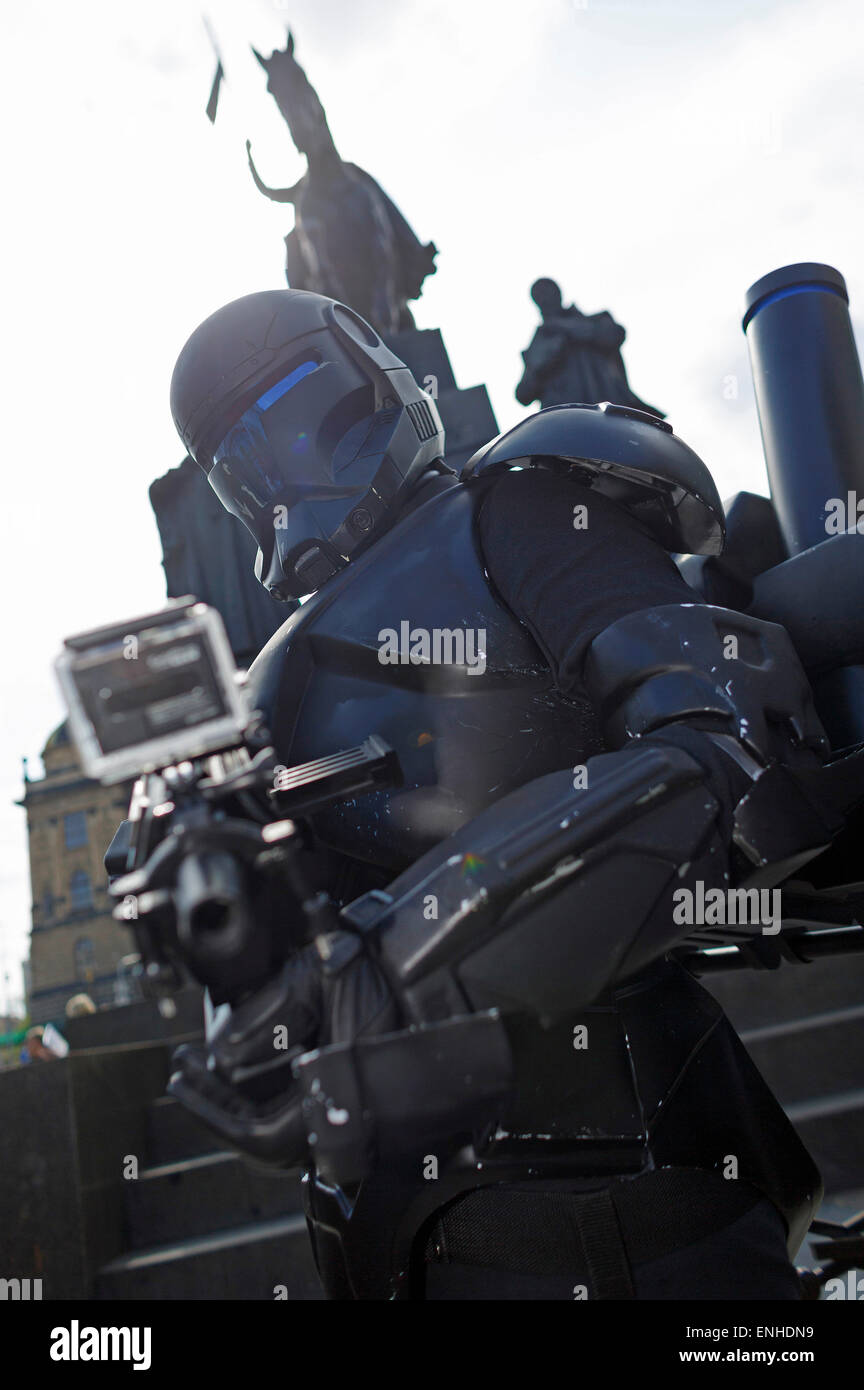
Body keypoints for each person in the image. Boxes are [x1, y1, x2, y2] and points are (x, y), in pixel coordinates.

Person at [165, 288, 830, 1300]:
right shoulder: (268, 684)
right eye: (240, 460)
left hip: (649, 1183)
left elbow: (723, 751)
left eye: (294, 411)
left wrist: (407, 964)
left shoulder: (514, 508)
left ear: (358, 381)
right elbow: (287, 977)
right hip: (425, 1234)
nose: (280, 473)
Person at [516, 277, 664, 417]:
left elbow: (614, 335)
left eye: (548, 293)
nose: (545, 300)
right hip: (562, 423)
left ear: (559, 294)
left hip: (605, 412)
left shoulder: (596, 321)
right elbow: (523, 395)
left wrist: (564, 328)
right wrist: (540, 369)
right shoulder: (538, 344)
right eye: (540, 297)